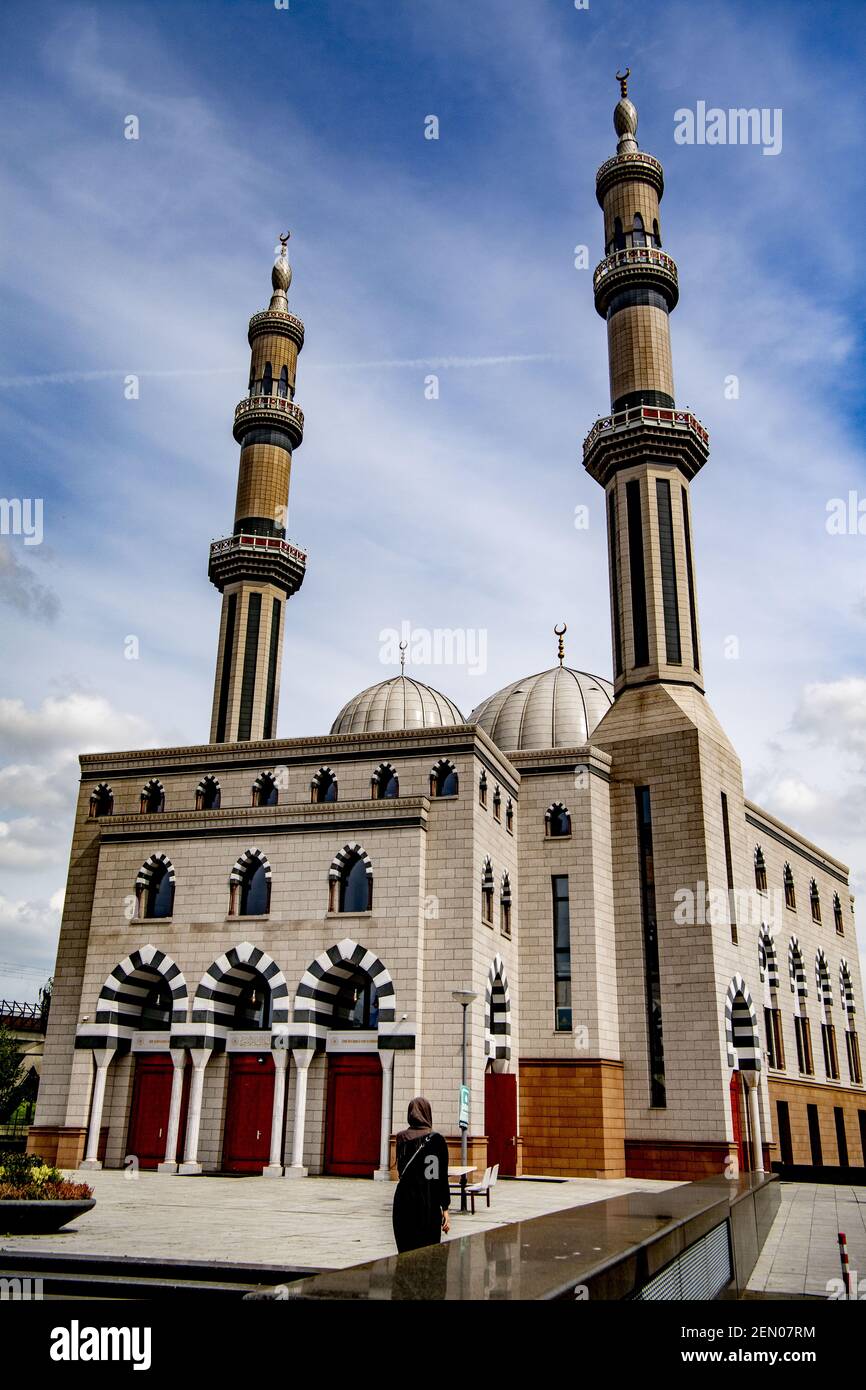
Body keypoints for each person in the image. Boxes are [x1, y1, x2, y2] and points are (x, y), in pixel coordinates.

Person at [392, 1096, 451, 1253]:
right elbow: (440, 1178)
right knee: (428, 1251)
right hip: (428, 1202)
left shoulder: (401, 1138)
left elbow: (400, 1171)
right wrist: (445, 1208)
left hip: (403, 1201)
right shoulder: (437, 1140)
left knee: (405, 1250)